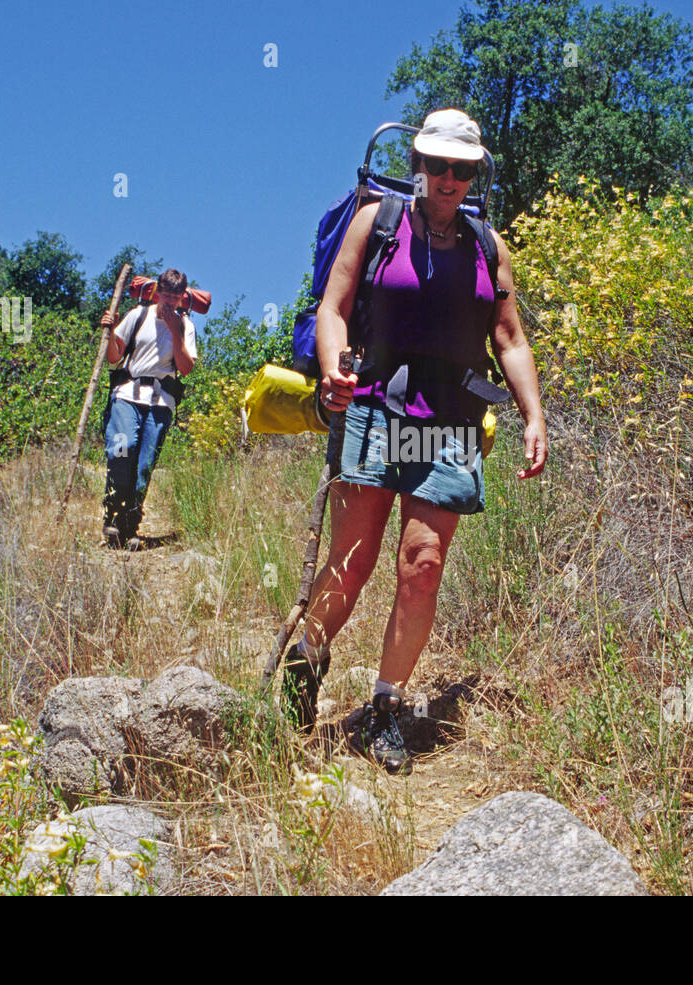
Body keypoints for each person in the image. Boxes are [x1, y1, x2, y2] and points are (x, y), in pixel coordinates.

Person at [280, 109, 547, 773]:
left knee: (422, 563)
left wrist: (533, 414)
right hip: (376, 406)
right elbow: (334, 306)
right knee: (355, 556)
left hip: (452, 419)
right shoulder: (380, 224)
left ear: (473, 172)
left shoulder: (489, 246)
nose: (449, 178)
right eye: (438, 165)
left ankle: (384, 706)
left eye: (463, 168)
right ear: (419, 165)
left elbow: (508, 337)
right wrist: (336, 364)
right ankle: (305, 659)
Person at [98, 269, 198, 550]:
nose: (170, 302)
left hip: (161, 401)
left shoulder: (186, 326)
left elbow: (186, 369)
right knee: (122, 448)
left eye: (176, 298)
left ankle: (130, 527)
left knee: (143, 466)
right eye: (166, 296)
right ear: (157, 293)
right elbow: (115, 358)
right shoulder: (138, 315)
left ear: (182, 298)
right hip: (127, 394)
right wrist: (111, 332)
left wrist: (176, 332)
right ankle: (113, 515)